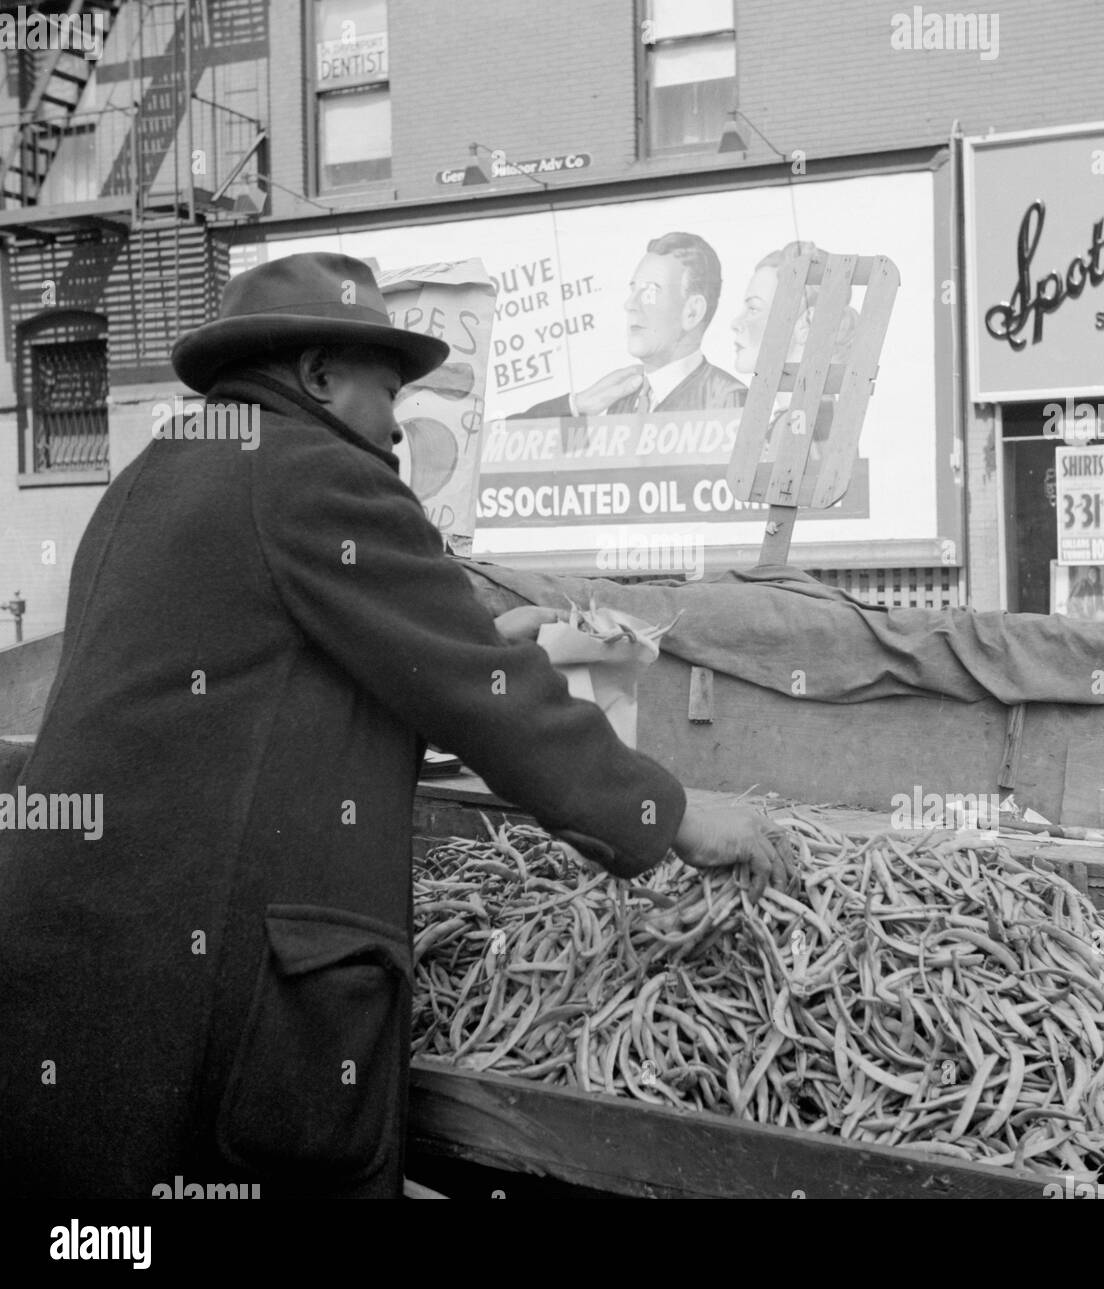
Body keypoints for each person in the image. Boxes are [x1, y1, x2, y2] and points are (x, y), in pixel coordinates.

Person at [0, 252, 793, 1200]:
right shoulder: (316, 473)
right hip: (211, 1004)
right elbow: (487, 694)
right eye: (389, 393)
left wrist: (458, 645)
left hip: (73, 984)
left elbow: (260, 683)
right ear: (320, 376)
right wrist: (674, 815)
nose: (398, 428)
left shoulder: (147, 482)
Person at [510, 232, 746, 417]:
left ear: (692, 312)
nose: (630, 304)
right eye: (633, 289)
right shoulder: (622, 400)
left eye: (650, 292)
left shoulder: (727, 399)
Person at [730, 241, 859, 459]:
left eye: (753, 308)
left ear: (805, 326)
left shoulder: (797, 422)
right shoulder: (823, 414)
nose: (736, 322)